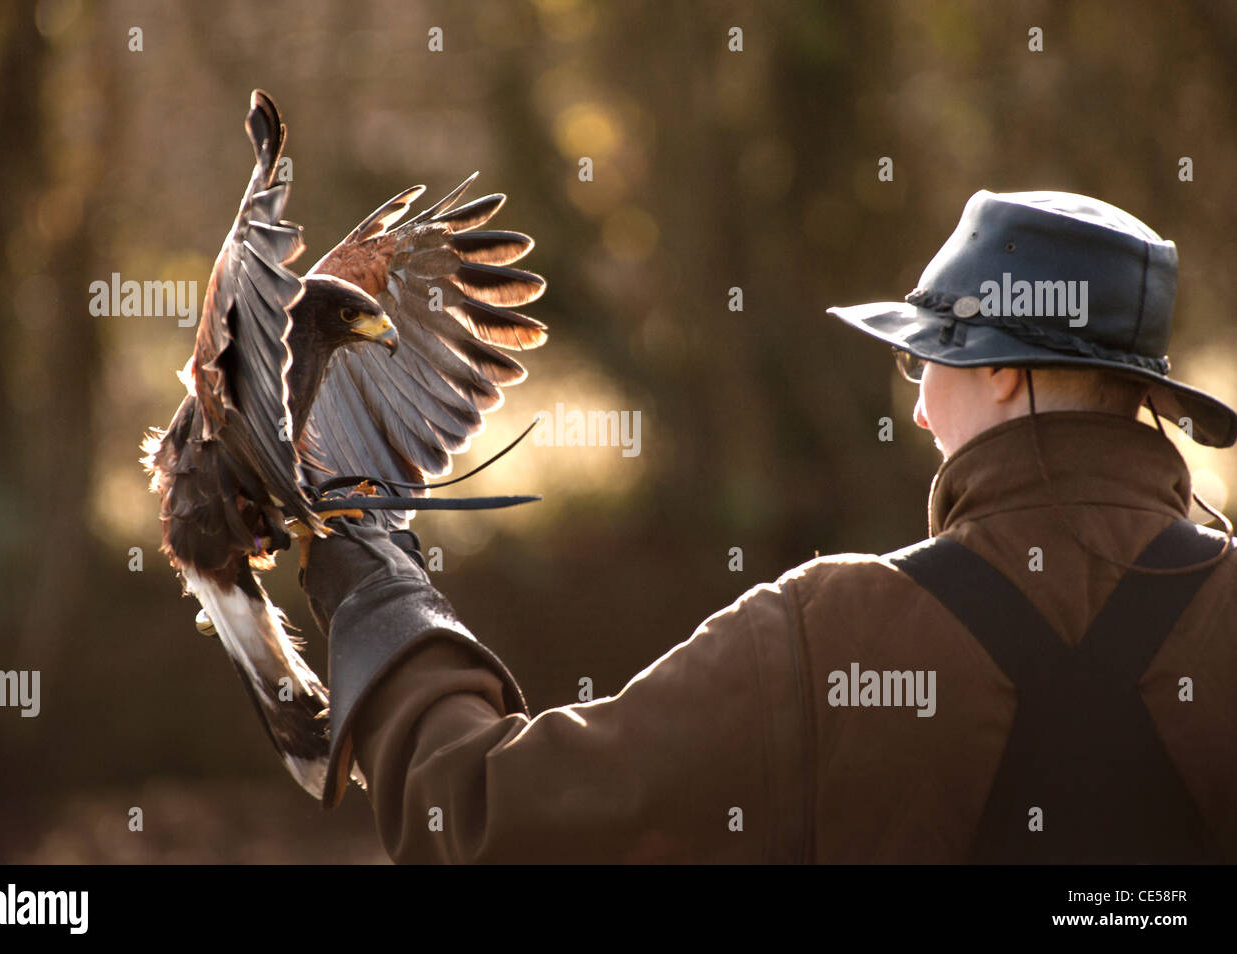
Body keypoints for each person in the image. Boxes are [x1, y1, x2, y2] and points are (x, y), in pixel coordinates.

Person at [300, 190, 1237, 863]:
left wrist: (375, 585)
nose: (915, 410)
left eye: (924, 363)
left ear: (1003, 370)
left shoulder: (830, 632)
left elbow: (482, 821)